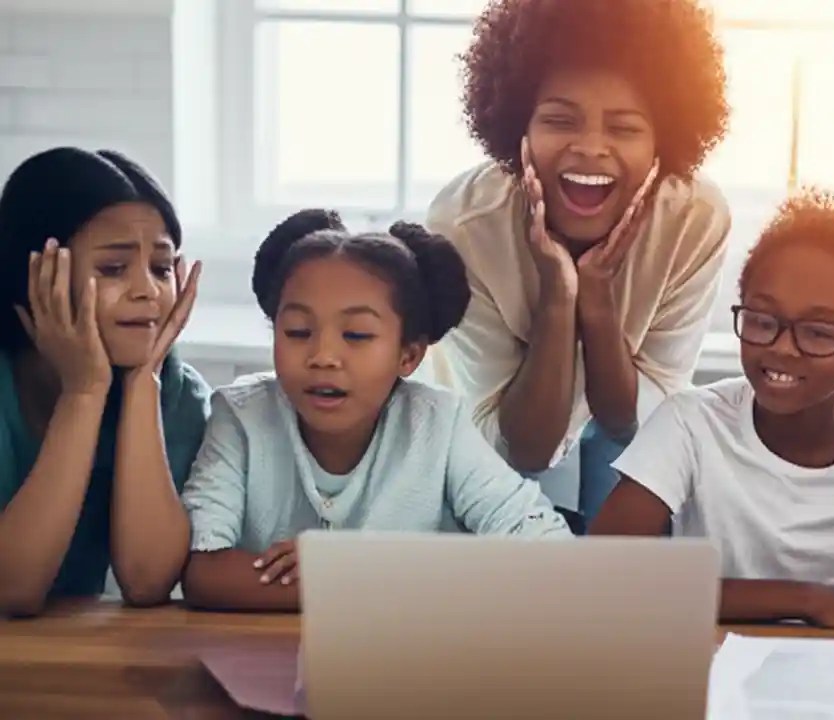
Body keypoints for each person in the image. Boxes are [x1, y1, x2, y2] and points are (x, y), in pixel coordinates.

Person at [590, 190, 834, 629]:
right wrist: (809, 600)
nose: (782, 349)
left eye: (818, 332)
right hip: (718, 673)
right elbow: (603, 573)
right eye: (763, 321)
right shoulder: (693, 424)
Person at [425, 0, 732, 526]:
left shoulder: (693, 220)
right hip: (488, 452)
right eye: (559, 120)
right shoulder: (465, 225)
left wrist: (599, 301)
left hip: (622, 441)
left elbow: (632, 426)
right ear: (517, 126)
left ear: (663, 138)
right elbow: (521, 451)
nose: (591, 148)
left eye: (625, 127)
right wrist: (558, 297)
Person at [180, 210, 571, 613]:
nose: (323, 356)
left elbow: (546, 546)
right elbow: (204, 572)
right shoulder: (241, 416)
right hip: (263, 662)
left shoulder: (436, 422)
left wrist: (352, 569)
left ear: (408, 355)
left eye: (357, 335)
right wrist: (360, 582)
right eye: (298, 331)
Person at [0, 147, 209, 616]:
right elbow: (11, 589)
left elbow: (147, 579)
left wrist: (141, 385)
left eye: (161, 268)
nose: (148, 292)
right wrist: (84, 393)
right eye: (113, 269)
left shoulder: (178, 394)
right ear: (34, 274)